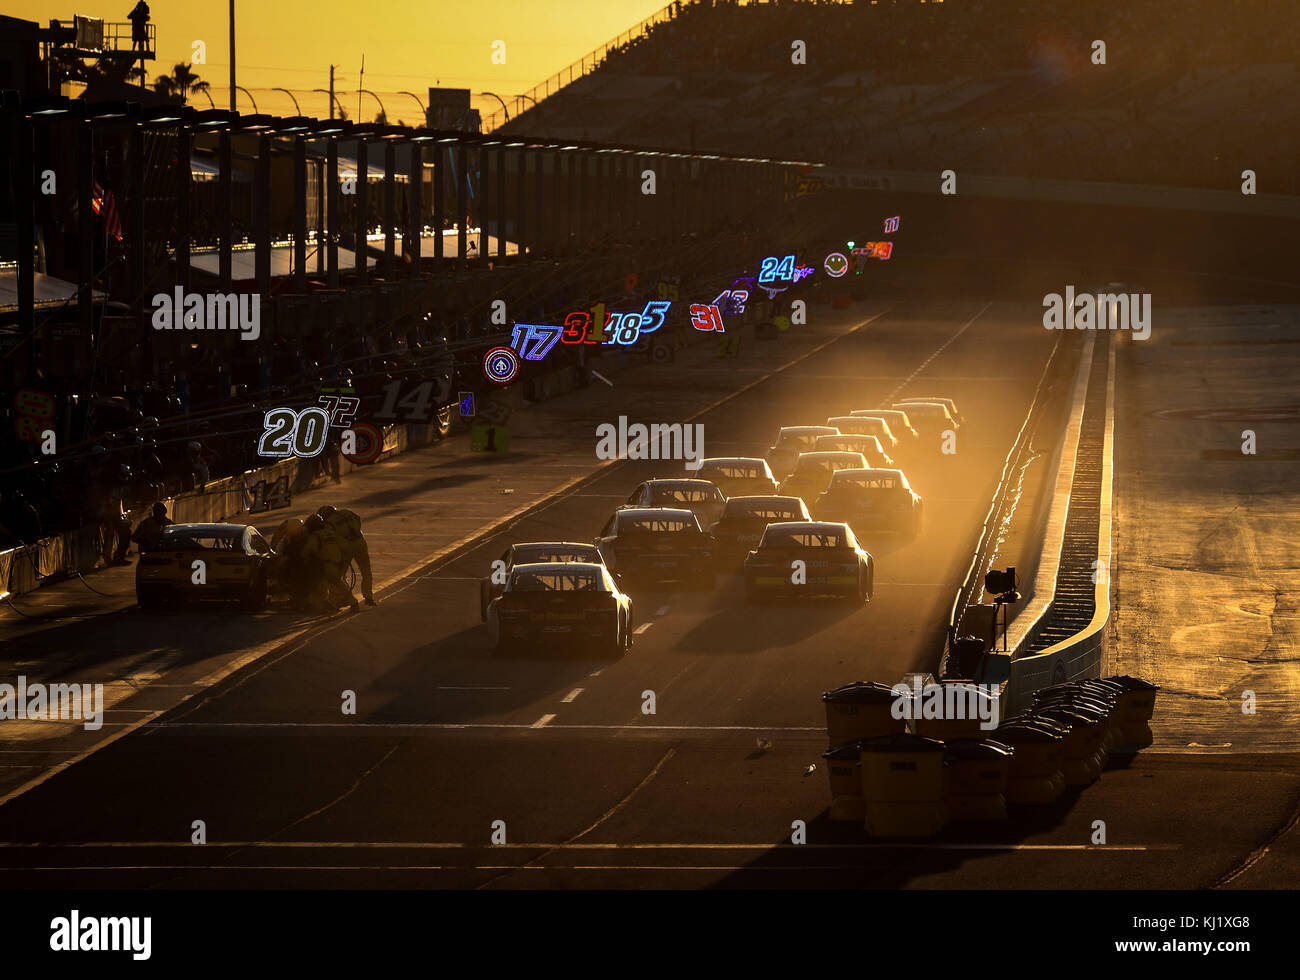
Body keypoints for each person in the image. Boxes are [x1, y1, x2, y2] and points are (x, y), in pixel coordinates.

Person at [317, 504, 377, 605]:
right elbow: (358, 519)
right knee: (366, 571)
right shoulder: (347, 512)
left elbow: (331, 538)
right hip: (360, 541)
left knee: (339, 575)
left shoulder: (329, 522)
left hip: (347, 545)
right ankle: (369, 597)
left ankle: (341, 598)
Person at [300, 514, 359, 613]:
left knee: (318, 583)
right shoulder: (330, 533)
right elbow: (344, 545)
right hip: (338, 564)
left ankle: (318, 604)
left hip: (327, 565)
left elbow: (308, 550)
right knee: (336, 583)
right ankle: (352, 603)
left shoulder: (315, 536)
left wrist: (302, 556)